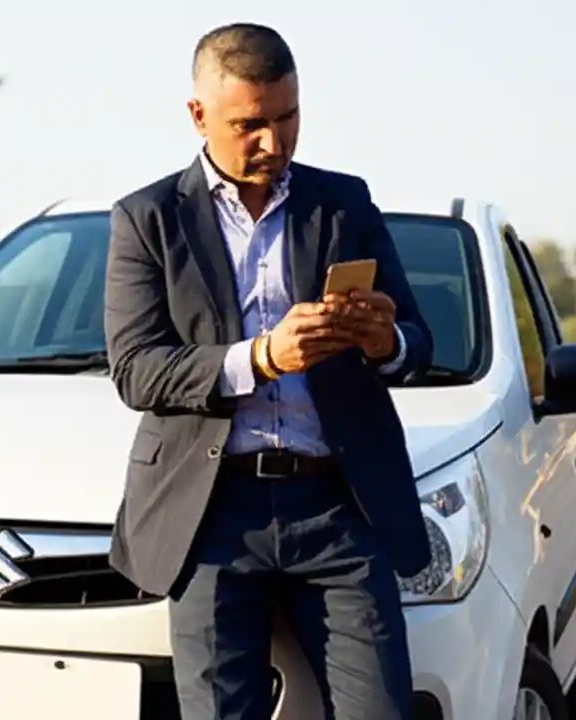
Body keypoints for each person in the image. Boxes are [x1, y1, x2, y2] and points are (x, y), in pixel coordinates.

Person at [103, 22, 435, 720]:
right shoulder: (146, 219)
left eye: (288, 118)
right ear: (198, 115)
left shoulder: (343, 203)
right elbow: (136, 369)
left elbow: (416, 341)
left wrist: (384, 340)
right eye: (249, 124)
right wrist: (261, 358)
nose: (274, 143)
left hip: (339, 510)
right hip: (209, 514)